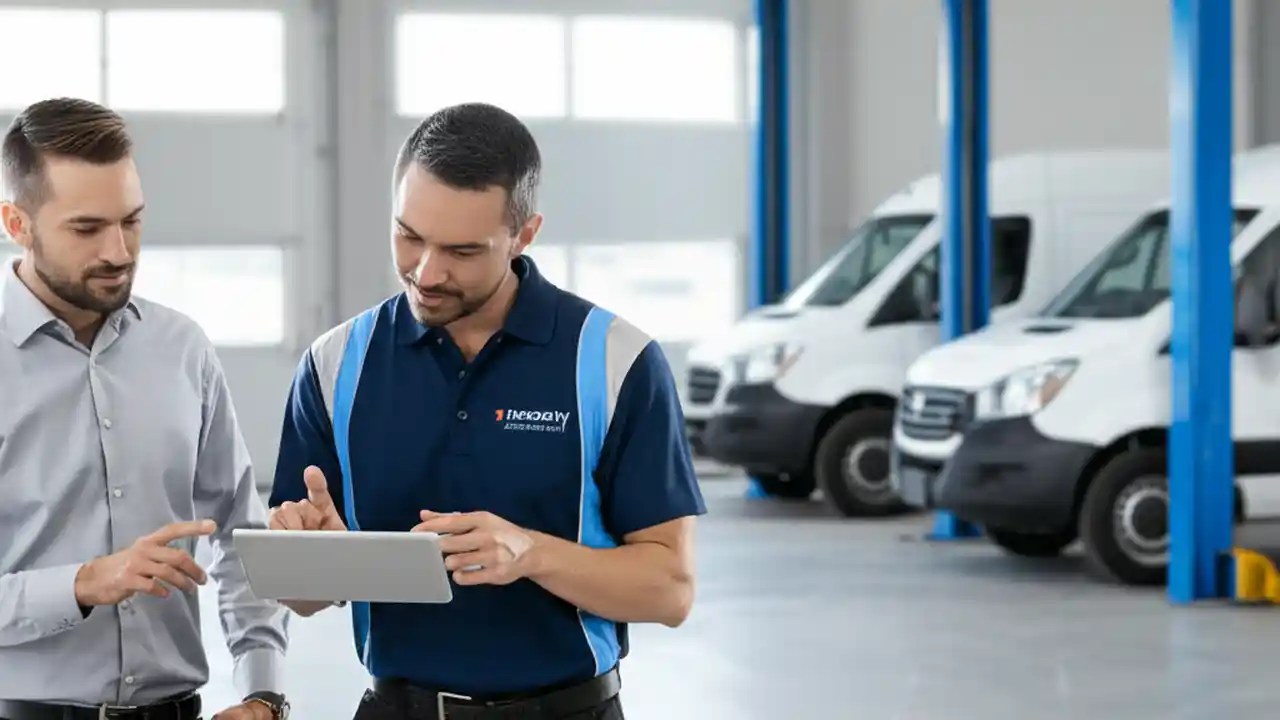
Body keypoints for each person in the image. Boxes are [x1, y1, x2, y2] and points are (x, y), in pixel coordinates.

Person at [267, 102, 707, 719]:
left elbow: (670, 591)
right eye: (409, 236)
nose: (426, 272)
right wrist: (320, 566)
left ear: (524, 233)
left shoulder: (616, 362)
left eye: (462, 251)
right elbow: (301, 596)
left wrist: (529, 552)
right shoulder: (335, 364)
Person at [0, 98, 290, 720]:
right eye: (87, 228)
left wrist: (263, 693)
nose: (119, 250)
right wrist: (80, 584)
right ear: (15, 223)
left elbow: (241, 536)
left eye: (131, 221)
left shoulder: (182, 348)